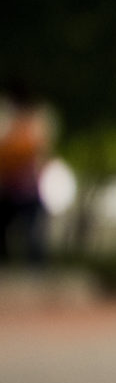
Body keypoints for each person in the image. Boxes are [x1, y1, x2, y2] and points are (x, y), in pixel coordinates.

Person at [0, 92, 54, 265]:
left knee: (33, 236)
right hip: (10, 189)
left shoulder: (32, 128)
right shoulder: (11, 125)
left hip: (29, 190)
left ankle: (36, 269)